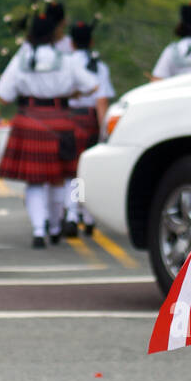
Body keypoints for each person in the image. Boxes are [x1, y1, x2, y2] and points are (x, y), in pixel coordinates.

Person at [0, 9, 98, 248]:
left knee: (35, 181)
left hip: (29, 120)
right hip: (60, 120)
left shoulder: (20, 60)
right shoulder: (67, 60)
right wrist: (70, 92)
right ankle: (56, 225)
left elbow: (2, 96)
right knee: (61, 177)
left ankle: (39, 230)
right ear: (54, 35)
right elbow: (93, 87)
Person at [63, 20, 115, 237]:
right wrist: (104, 130)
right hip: (91, 120)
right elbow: (101, 101)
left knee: (72, 171)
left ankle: (72, 215)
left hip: (68, 119)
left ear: (71, 43)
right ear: (91, 41)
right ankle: (88, 216)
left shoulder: (64, 62)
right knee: (85, 170)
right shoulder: (100, 66)